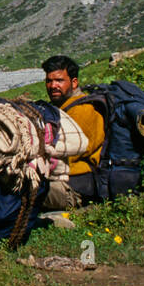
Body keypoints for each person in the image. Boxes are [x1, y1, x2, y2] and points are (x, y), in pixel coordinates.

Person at [42, 55, 104, 206]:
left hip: (76, 185)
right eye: (49, 81)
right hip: (66, 179)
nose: (53, 85)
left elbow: (70, 155)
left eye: (59, 80)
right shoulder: (59, 108)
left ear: (74, 82)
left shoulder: (83, 110)